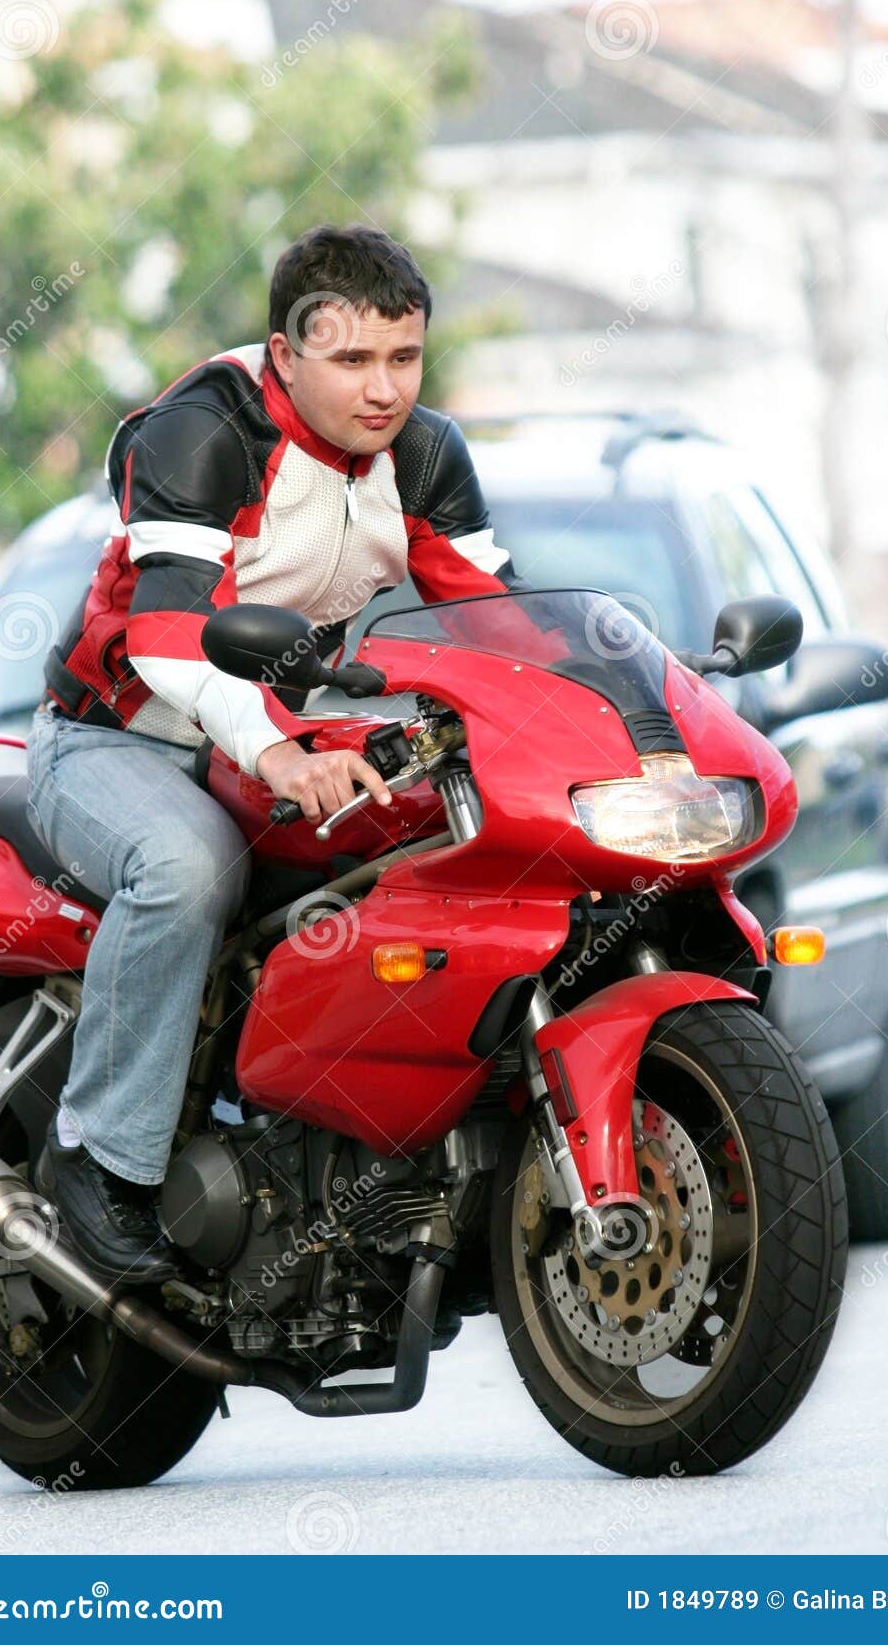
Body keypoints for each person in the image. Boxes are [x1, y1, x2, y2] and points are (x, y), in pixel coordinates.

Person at [26, 223, 524, 1284]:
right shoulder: (204, 431)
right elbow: (166, 635)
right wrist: (277, 751)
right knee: (185, 865)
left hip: (281, 732)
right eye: (351, 361)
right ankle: (95, 1160)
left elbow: (499, 627)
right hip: (117, 739)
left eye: (402, 357)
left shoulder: (424, 454)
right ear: (284, 353)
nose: (382, 388)